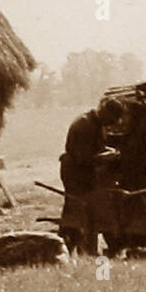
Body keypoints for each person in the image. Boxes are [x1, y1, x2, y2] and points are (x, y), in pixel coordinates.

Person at [59, 97, 125, 253]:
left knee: (88, 209)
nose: (113, 123)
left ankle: (84, 247)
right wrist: (106, 157)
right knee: (78, 209)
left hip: (85, 172)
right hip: (75, 173)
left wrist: (109, 150)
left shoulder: (98, 124)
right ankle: (68, 246)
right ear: (105, 111)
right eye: (113, 119)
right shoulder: (84, 125)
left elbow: (96, 146)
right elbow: (83, 158)